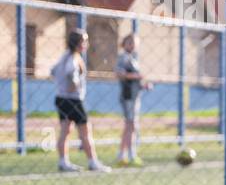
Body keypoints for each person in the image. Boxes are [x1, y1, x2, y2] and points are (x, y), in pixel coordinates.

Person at [51, 29, 111, 173]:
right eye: (84, 41)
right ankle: (93, 162)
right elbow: (71, 78)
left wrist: (62, 86)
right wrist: (74, 84)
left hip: (61, 98)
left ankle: (63, 162)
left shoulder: (65, 56)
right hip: (73, 100)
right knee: (85, 132)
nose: (87, 44)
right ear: (78, 43)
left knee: (65, 131)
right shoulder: (72, 59)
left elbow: (52, 71)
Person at [114, 33, 151, 166]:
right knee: (132, 125)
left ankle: (121, 154)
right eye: (129, 42)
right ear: (124, 44)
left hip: (135, 96)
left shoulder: (134, 58)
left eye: (134, 43)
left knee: (129, 126)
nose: (132, 45)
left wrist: (143, 84)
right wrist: (136, 76)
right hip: (127, 96)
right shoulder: (123, 57)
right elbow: (119, 73)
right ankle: (131, 154)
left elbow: (136, 77)